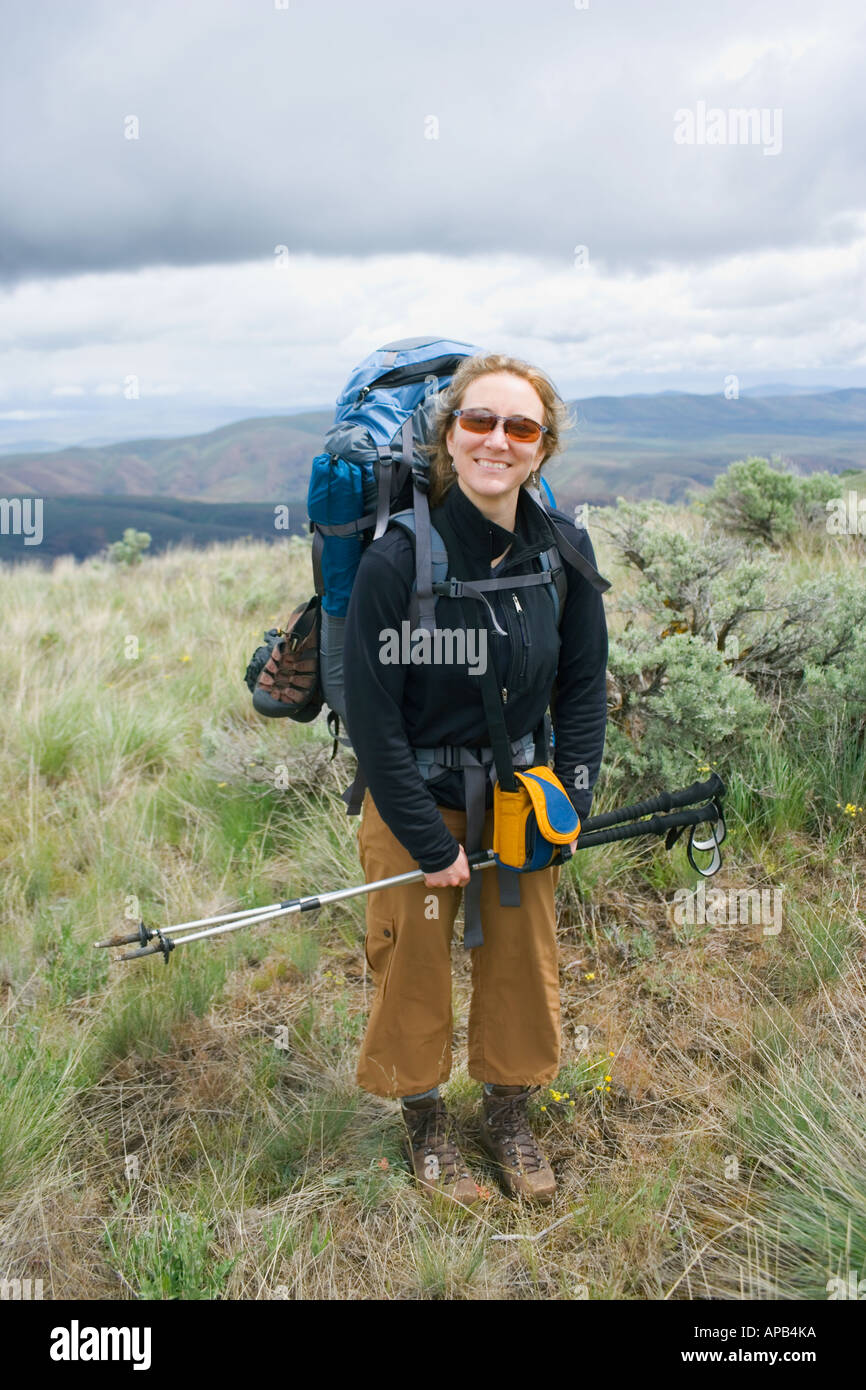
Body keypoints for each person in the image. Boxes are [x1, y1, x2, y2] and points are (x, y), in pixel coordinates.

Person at [342, 352, 608, 1205]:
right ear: (449, 437)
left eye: (520, 427)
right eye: (480, 422)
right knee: (411, 959)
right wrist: (425, 839)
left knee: (524, 962)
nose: (498, 440)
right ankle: (424, 1124)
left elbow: (582, 689)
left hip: (519, 798)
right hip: (409, 798)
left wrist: (572, 798)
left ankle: (509, 1113)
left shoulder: (565, 552)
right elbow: (375, 720)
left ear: (542, 449)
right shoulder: (397, 561)